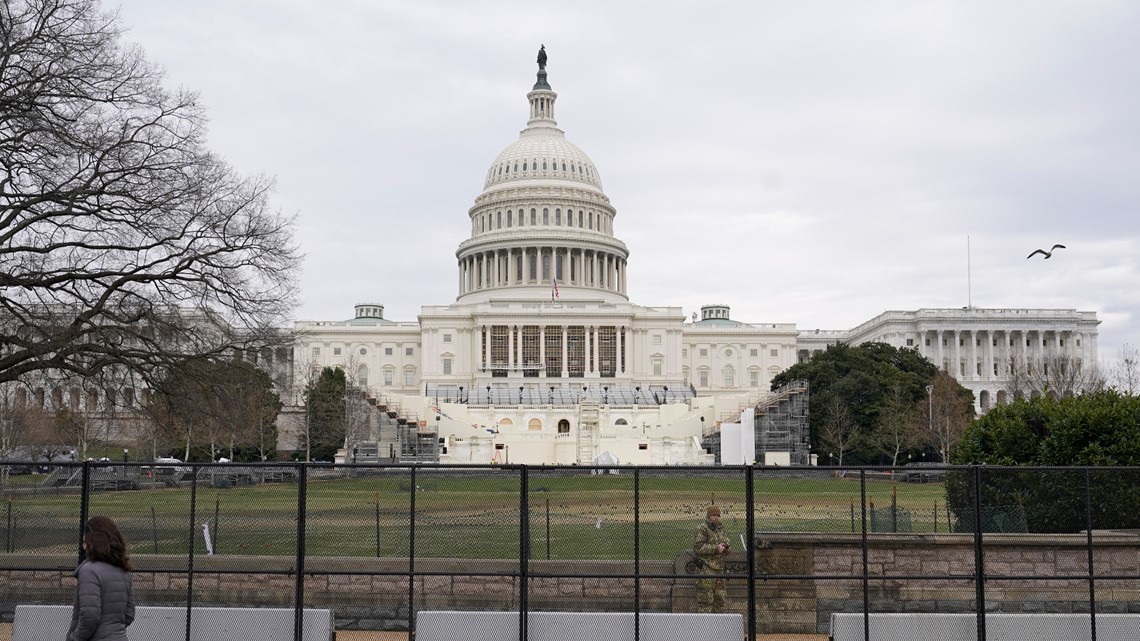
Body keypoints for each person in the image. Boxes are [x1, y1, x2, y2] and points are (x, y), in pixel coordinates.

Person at [67, 516, 136, 641]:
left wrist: (75, 638)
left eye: (85, 540)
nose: (83, 546)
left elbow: (90, 616)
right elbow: (129, 614)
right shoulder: (123, 571)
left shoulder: (89, 571)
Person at [693, 504, 731, 613]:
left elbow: (728, 543)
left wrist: (727, 548)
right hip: (706, 569)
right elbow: (698, 548)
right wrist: (715, 548)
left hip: (720, 570)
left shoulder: (720, 529)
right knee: (706, 602)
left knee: (720, 600)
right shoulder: (702, 529)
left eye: (718, 515)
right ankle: (705, 628)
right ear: (709, 516)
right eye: (714, 515)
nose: (716, 517)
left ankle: (717, 628)